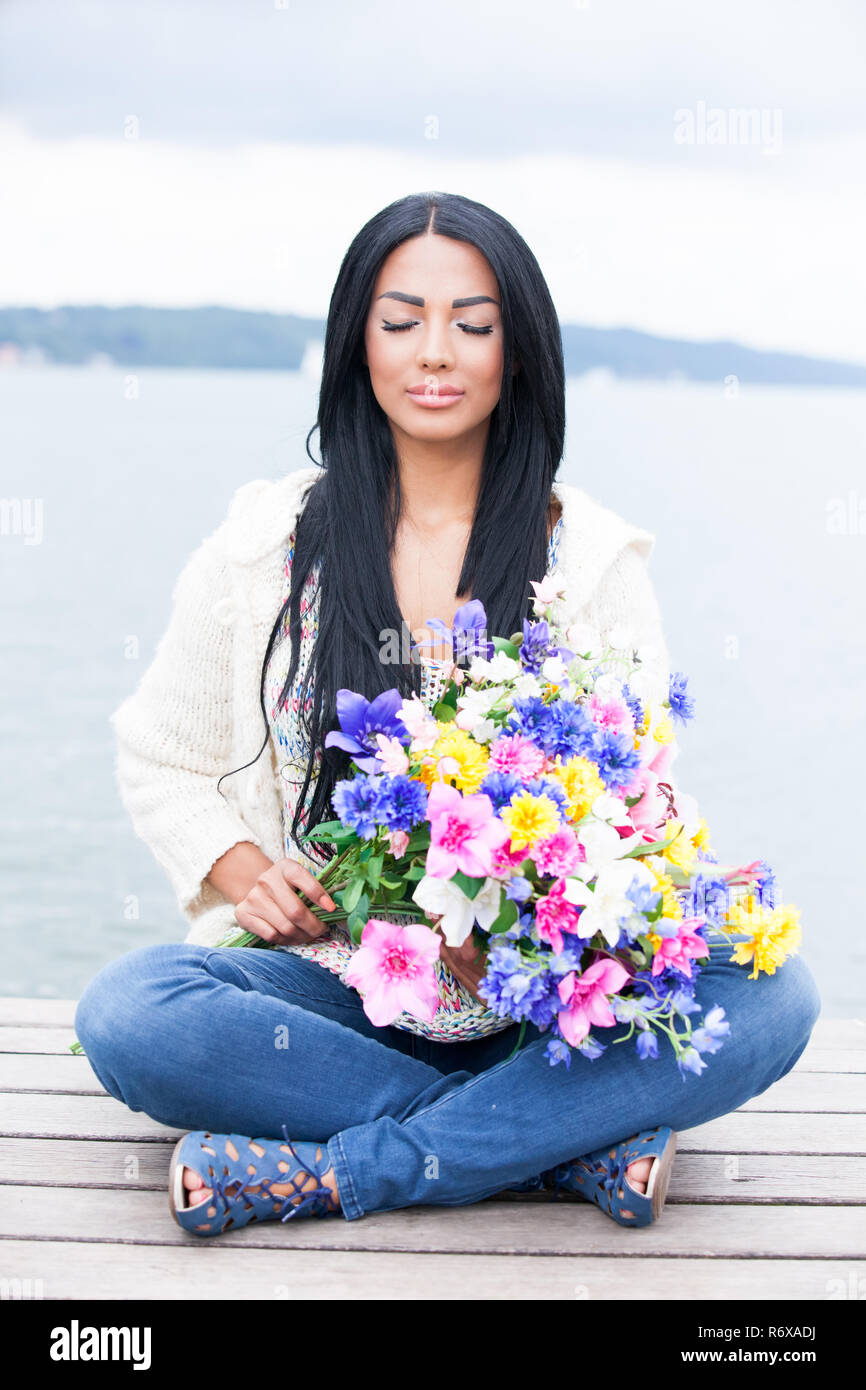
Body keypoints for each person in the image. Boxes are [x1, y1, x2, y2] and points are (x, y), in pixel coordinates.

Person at [75, 191, 821, 1236]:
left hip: (534, 1009)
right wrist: (244, 874)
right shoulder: (263, 549)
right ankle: (557, 1142)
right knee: (130, 1014)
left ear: (514, 352)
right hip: (336, 991)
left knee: (773, 992)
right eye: (401, 320)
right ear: (355, 343)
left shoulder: (589, 561)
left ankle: (347, 1167)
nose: (436, 353)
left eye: (472, 324)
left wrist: (603, 905)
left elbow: (635, 799)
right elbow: (159, 754)